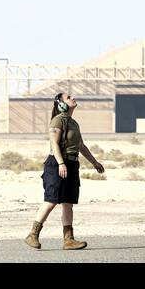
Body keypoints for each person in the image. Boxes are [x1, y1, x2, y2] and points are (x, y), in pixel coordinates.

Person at [25, 92, 105, 250]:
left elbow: (81, 146)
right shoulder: (58, 120)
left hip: (72, 164)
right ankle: (32, 235)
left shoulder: (74, 123)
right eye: (68, 97)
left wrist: (94, 162)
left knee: (68, 203)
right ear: (61, 104)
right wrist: (61, 163)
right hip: (56, 164)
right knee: (51, 200)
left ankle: (68, 239)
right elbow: (54, 143)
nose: (73, 98)